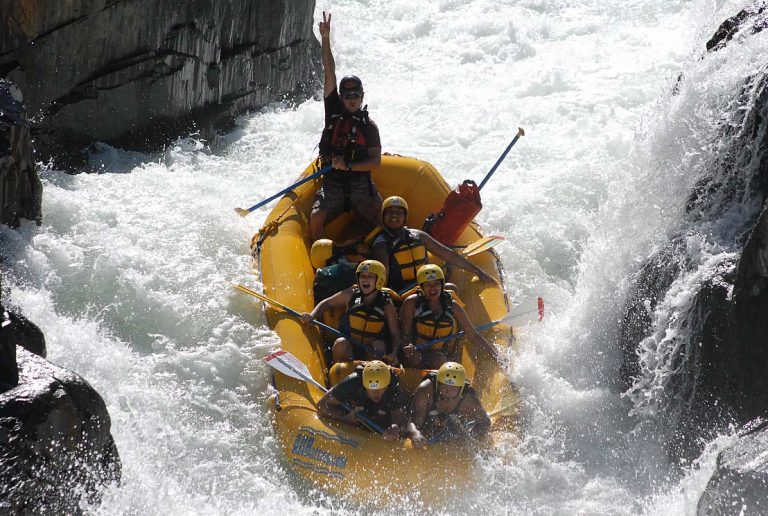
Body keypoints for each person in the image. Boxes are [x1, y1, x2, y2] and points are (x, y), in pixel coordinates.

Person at [310, 11, 383, 242]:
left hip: (361, 184)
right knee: (316, 217)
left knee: (388, 221)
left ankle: (365, 243)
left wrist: (349, 166)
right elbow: (329, 71)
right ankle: (322, 258)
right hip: (333, 181)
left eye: (356, 96)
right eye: (347, 96)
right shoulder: (333, 109)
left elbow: (375, 162)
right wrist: (325, 39)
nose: (352, 100)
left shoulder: (369, 127)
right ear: (341, 97)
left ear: (362, 97)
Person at [370, 196, 496, 293]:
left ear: (405, 217)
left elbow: (449, 255)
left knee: (451, 288)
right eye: (390, 212)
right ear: (383, 216)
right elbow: (383, 274)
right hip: (399, 292)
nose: (394, 216)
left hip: (425, 285)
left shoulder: (419, 235)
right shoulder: (381, 243)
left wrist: (478, 272)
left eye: (398, 213)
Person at [301, 260, 401, 365]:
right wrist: (312, 315)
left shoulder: (386, 304)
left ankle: (373, 370)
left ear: (379, 280)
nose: (365, 279)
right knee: (340, 343)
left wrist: (394, 353)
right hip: (349, 346)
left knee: (379, 346)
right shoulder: (350, 294)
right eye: (362, 276)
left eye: (370, 276)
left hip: (370, 351)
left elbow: (395, 334)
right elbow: (327, 303)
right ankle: (339, 370)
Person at [400, 264, 499, 369]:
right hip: (414, 353)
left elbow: (473, 335)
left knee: (439, 359)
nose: (433, 288)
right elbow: (405, 333)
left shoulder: (453, 306)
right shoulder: (411, 303)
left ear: (442, 285)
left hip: (437, 355)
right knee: (421, 358)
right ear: (421, 287)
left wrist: (495, 355)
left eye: (436, 284)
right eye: (428, 285)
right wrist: (408, 347)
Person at [406, 362, 490, 448]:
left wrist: (472, 437)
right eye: (444, 387)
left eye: (453, 389)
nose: (448, 392)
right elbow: (413, 421)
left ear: (461, 389)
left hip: (456, 426)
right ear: (437, 384)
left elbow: (485, 421)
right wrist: (415, 434)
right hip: (429, 421)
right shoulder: (425, 390)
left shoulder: (469, 398)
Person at [318, 360, 409, 441]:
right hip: (354, 413)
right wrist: (346, 419)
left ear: (386, 386)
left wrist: (396, 428)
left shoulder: (392, 388)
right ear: (364, 386)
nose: (376, 393)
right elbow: (322, 405)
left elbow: (402, 421)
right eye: (372, 389)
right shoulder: (352, 382)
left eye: (381, 389)